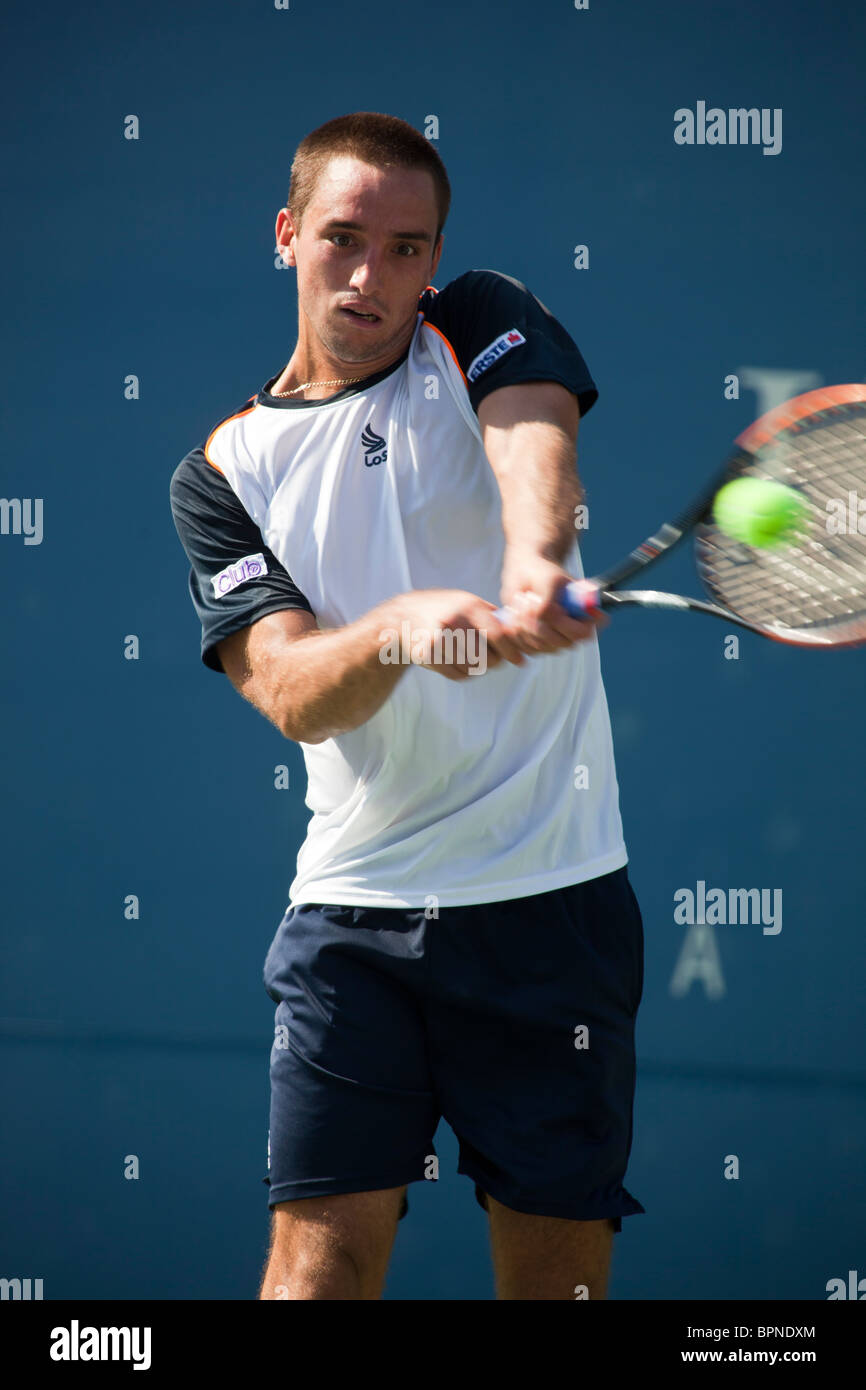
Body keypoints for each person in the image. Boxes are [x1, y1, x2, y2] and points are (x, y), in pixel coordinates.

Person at [170, 111, 644, 1301]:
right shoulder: (222, 473)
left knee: (555, 1281)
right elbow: (287, 688)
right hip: (353, 917)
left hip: (549, 905)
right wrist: (393, 632)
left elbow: (531, 430)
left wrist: (533, 562)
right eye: (342, 239)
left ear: (435, 258)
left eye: (403, 248)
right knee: (315, 1268)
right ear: (287, 236)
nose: (370, 274)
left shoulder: (479, 314)